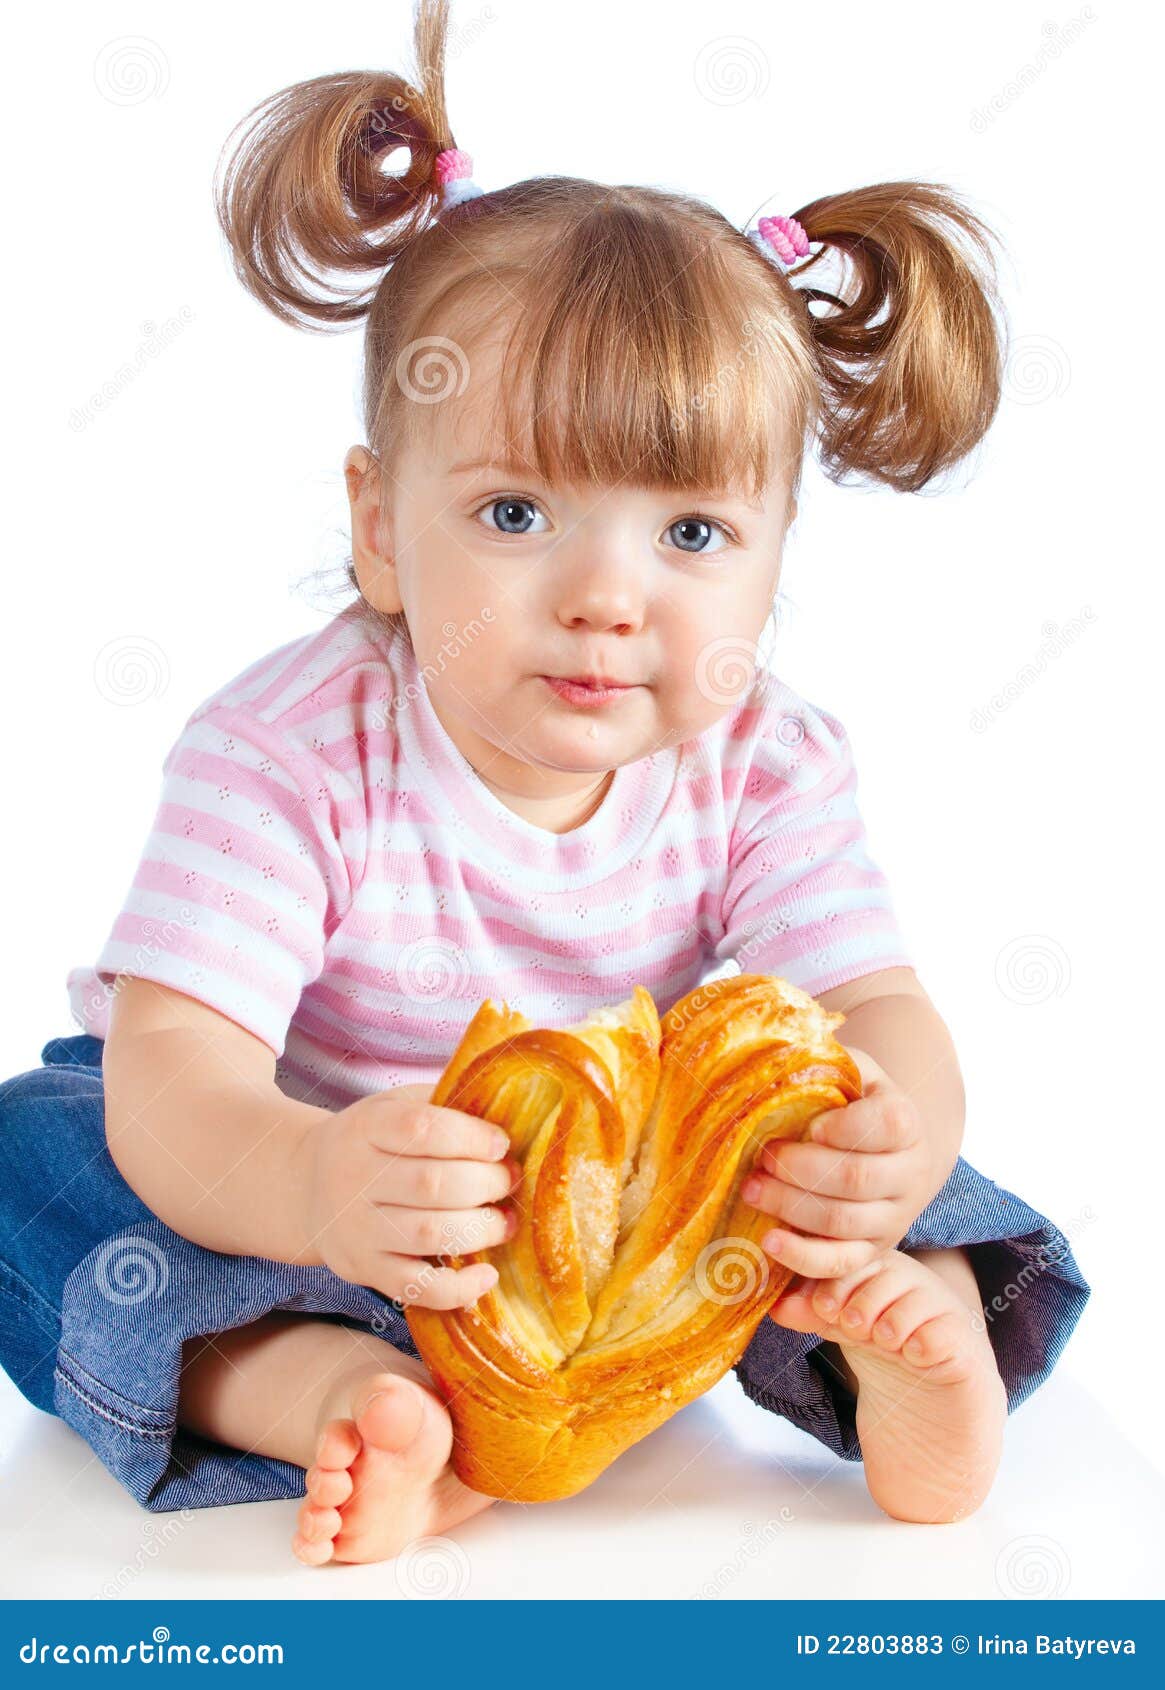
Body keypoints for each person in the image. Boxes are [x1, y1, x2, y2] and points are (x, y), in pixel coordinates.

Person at [0, 0, 1089, 1566]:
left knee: (863, 1149)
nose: (605, 595)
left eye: (692, 535)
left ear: (778, 557)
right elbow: (178, 1061)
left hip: (614, 1239)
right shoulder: (291, 748)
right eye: (516, 514)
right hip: (308, 1212)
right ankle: (330, 1388)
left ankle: (898, 1356)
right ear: (381, 528)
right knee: (44, 1147)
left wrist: (886, 1146)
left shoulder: (762, 760)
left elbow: (874, 1003)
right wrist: (304, 1175)